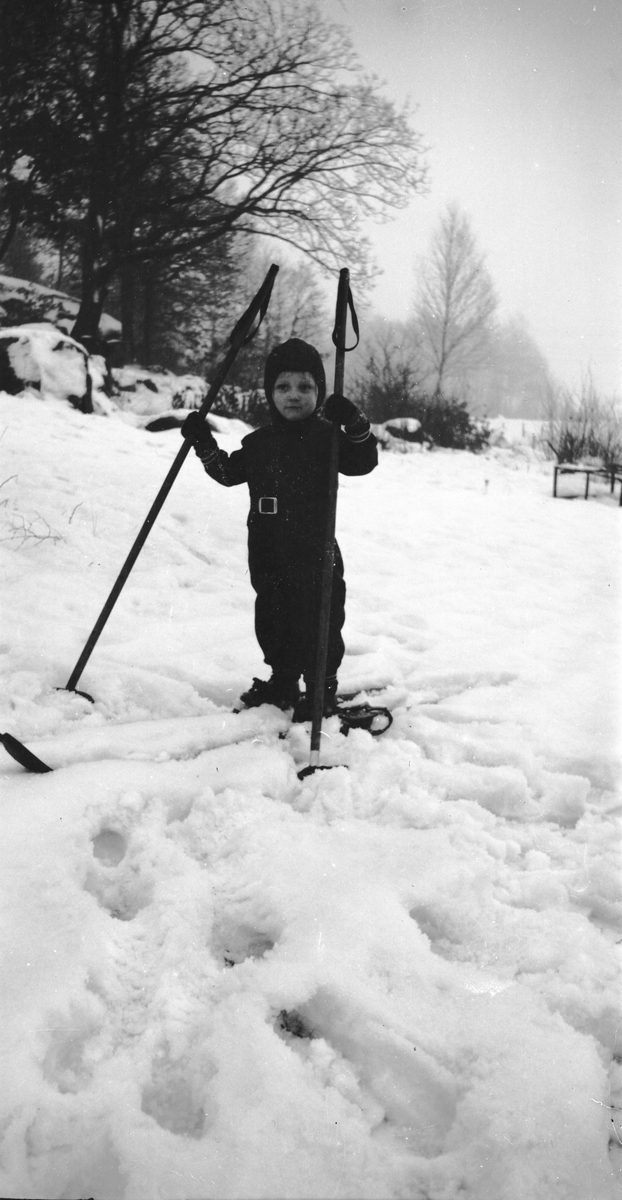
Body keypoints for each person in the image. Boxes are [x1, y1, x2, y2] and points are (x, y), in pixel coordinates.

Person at [181, 337, 377, 720]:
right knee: (273, 616)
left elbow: (362, 461)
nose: (294, 396)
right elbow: (227, 473)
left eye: (305, 387)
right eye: (283, 387)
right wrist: (203, 444)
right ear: (270, 393)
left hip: (314, 549)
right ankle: (283, 680)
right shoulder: (259, 444)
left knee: (320, 618)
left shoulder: (327, 439)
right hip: (269, 550)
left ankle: (321, 689)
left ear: (319, 392)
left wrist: (354, 424)